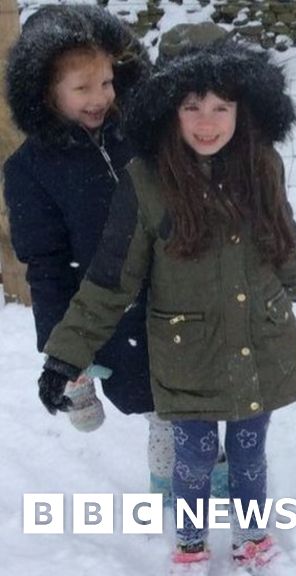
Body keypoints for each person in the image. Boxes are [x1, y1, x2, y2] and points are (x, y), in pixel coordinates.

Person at [35, 39, 296, 573]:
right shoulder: (147, 181)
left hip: (260, 342)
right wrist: (65, 355)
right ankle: (190, 542)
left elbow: (282, 239)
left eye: (221, 107)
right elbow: (109, 281)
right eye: (191, 106)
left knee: (247, 451)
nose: (207, 121)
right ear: (168, 108)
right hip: (186, 354)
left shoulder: (263, 164)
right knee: (193, 456)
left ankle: (252, 536)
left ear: (246, 110)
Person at [1, 5, 182, 499]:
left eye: (106, 82)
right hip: (108, 307)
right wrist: (61, 350)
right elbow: (45, 264)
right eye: (82, 88)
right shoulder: (30, 170)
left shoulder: (143, 131)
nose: (100, 97)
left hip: (176, 290)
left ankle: (211, 474)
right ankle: (174, 495)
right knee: (155, 402)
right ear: (45, 92)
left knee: (192, 398)